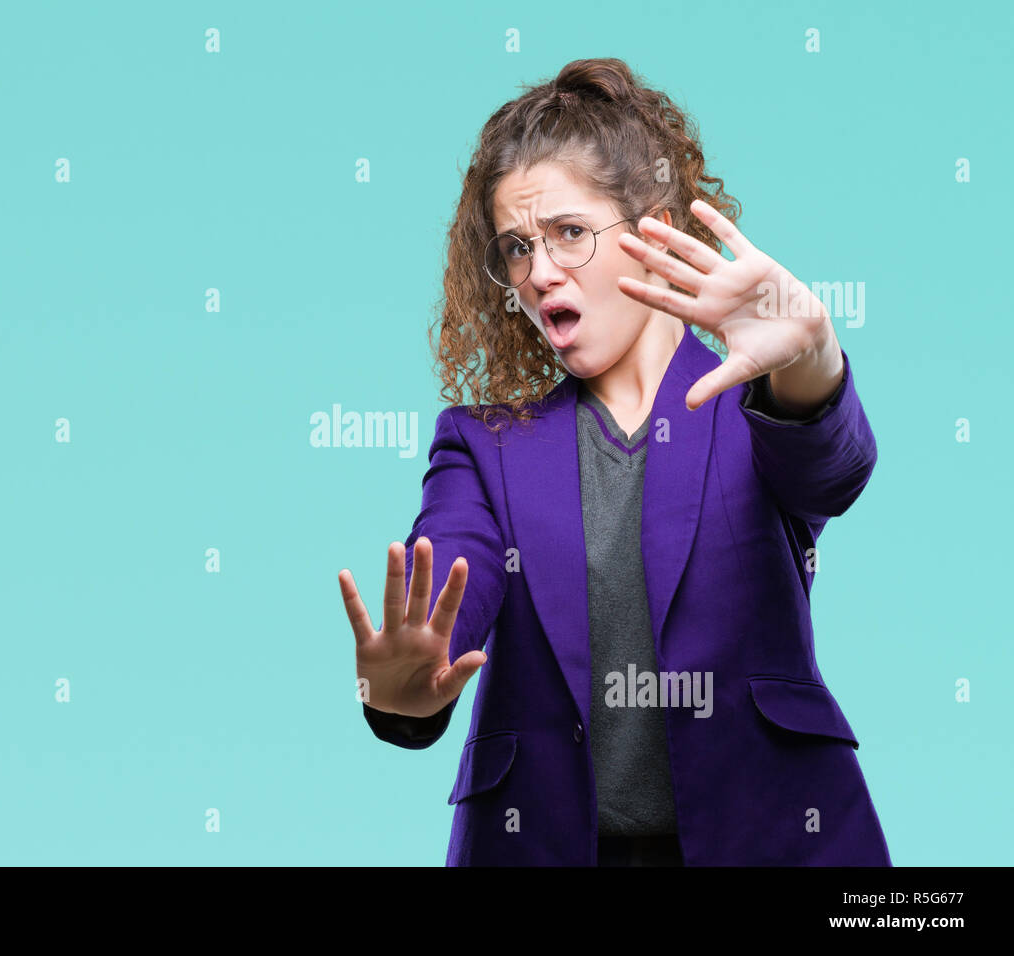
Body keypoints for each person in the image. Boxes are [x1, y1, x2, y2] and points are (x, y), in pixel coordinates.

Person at [338, 57, 891, 867]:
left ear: (654, 232)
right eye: (516, 248)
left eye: (569, 233)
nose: (539, 273)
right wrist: (402, 687)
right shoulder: (483, 446)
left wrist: (811, 352)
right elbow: (452, 579)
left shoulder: (759, 407)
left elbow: (833, 470)